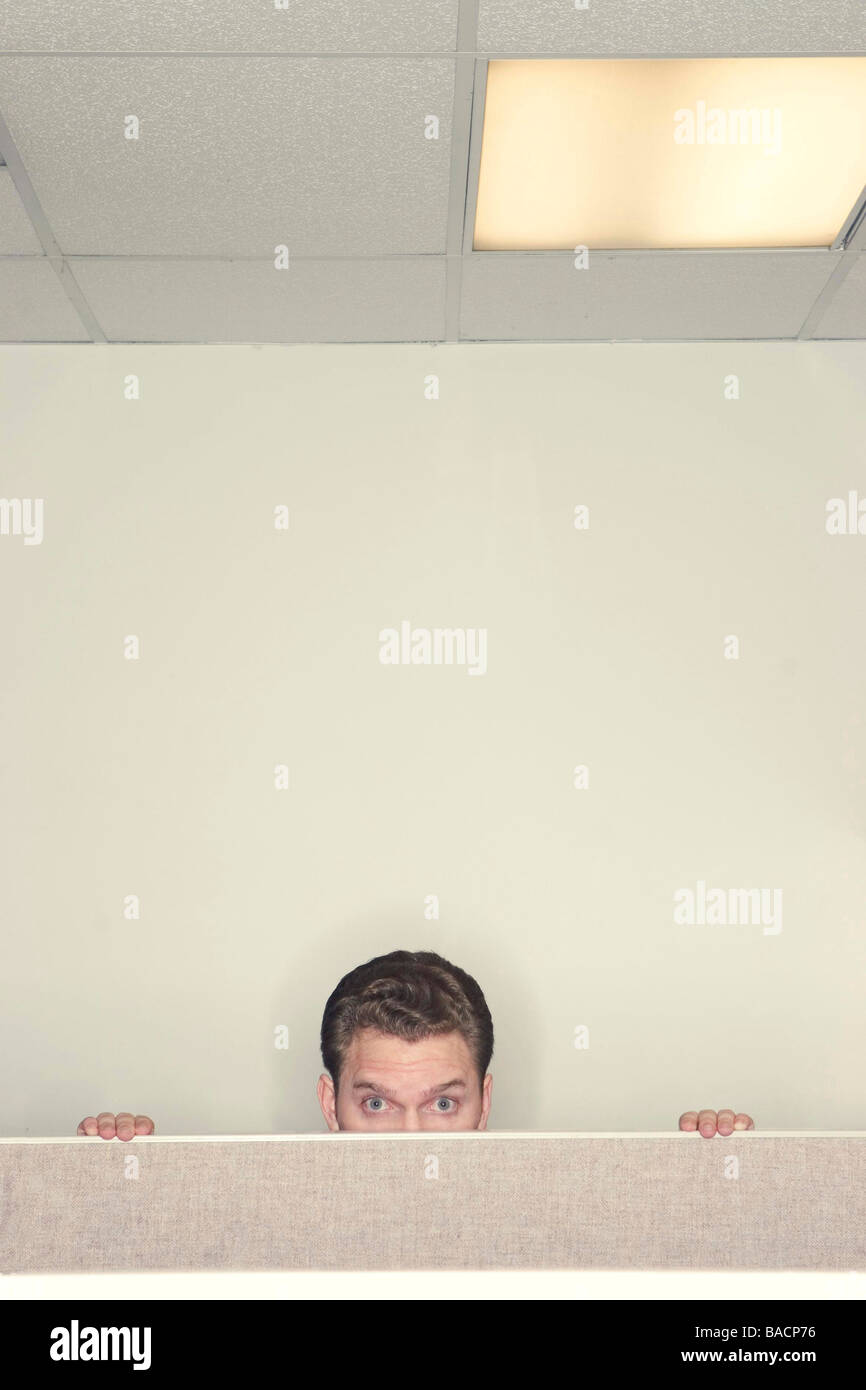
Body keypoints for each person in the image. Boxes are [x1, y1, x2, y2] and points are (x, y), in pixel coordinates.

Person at [76, 948, 755, 1139]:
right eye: (375, 1105)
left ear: (485, 1102)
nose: (410, 1140)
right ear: (328, 1100)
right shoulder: (257, 1225)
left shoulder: (554, 1222)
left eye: (440, 1105)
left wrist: (724, 1176)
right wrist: (113, 1185)